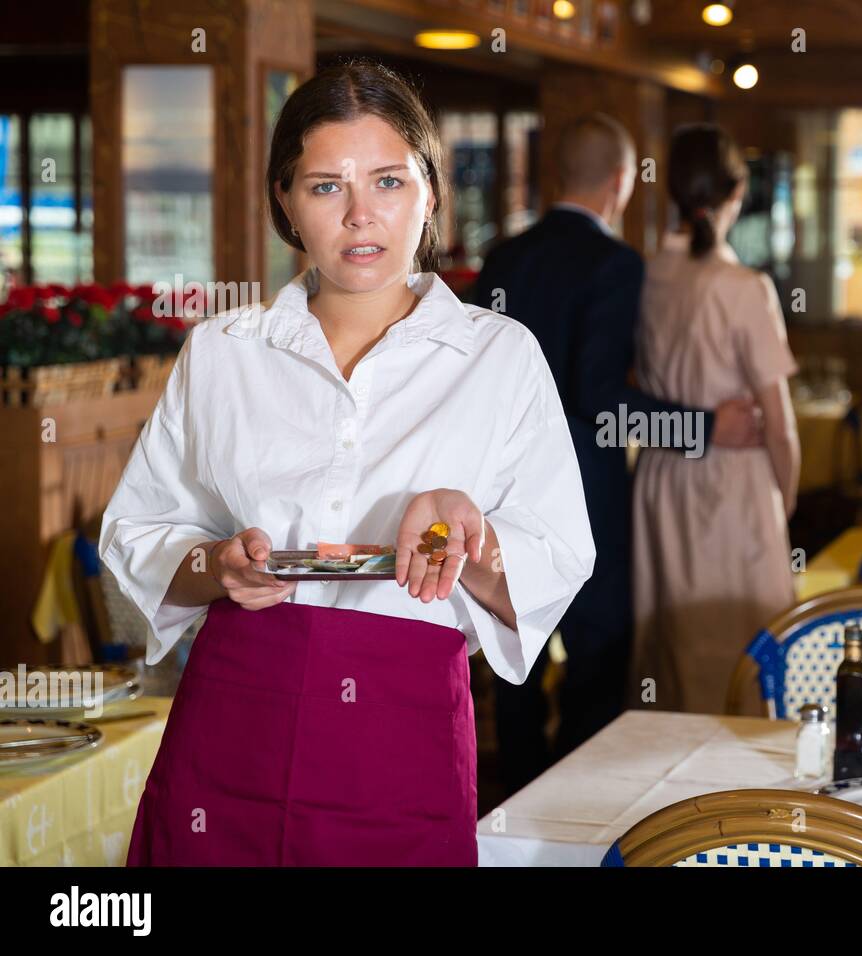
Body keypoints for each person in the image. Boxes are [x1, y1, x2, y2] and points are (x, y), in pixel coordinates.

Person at [98, 60, 595, 866]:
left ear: (430, 190)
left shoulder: (500, 357)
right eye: (326, 186)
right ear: (286, 203)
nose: (363, 215)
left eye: (390, 181)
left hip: (403, 730)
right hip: (234, 719)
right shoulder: (225, 351)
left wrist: (465, 534)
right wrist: (216, 565)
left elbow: (557, 562)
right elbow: (139, 532)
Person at [473, 114, 763, 791]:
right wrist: (702, 429)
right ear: (621, 182)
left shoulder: (502, 257)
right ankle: (577, 806)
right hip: (583, 497)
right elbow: (601, 402)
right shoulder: (614, 264)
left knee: (516, 660)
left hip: (495, 495)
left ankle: (511, 808)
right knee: (599, 665)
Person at [630, 124, 801, 714]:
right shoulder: (744, 287)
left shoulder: (649, 273)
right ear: (739, 192)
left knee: (671, 653)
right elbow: (779, 426)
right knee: (744, 658)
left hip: (659, 478)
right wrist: (785, 498)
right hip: (733, 483)